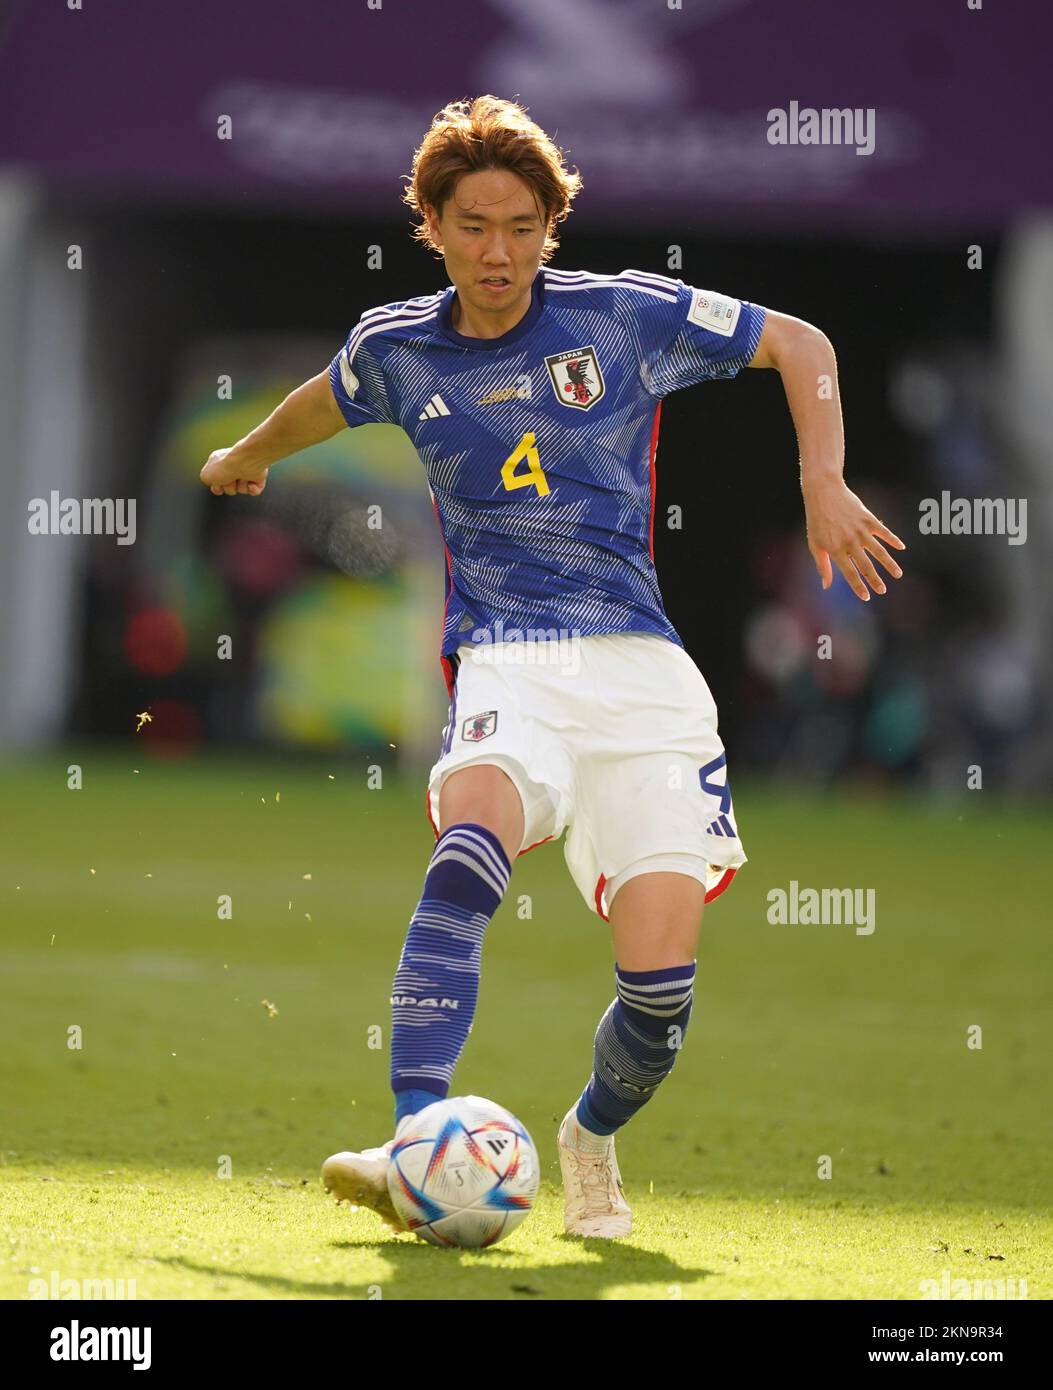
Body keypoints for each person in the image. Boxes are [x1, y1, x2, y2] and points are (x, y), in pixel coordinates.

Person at [200, 95, 906, 1239]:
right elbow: (320, 404)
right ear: (430, 223)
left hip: (642, 677)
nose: (500, 252)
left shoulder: (622, 317)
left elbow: (802, 345)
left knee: (661, 985)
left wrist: (822, 479)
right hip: (507, 662)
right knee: (470, 843)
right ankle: (414, 1136)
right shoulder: (398, 347)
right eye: (474, 224)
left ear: (551, 226)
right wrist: (240, 454)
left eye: (524, 226)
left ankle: (589, 1139)